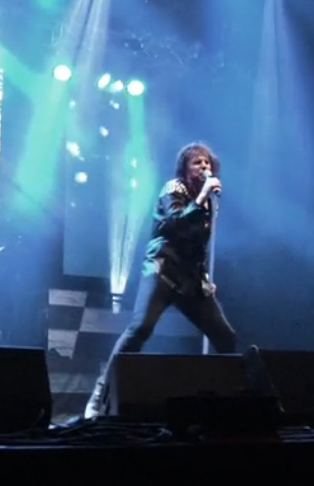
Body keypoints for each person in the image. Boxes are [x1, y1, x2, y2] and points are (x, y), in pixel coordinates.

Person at [84, 142, 238, 419]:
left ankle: (227, 401)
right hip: (162, 271)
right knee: (139, 329)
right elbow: (174, 224)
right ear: (185, 168)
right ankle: (99, 396)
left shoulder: (209, 204)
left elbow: (198, 246)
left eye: (207, 162)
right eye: (197, 162)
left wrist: (204, 278)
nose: (204, 166)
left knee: (226, 337)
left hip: (190, 281)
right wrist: (202, 197)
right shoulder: (173, 189)